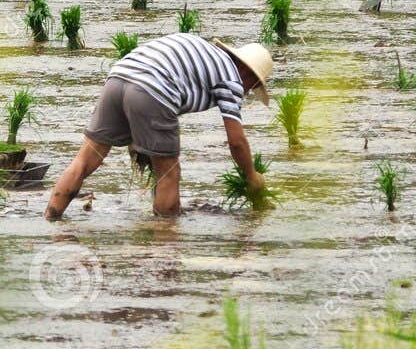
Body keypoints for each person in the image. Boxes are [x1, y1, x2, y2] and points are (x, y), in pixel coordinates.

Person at [45, 33, 273, 219]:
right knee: (169, 174)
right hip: (152, 89)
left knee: (84, 160)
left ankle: (51, 219)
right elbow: (236, 141)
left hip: (118, 78)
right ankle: (165, 250)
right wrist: (252, 176)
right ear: (250, 76)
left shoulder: (204, 52)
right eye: (252, 87)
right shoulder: (231, 78)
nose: (247, 92)